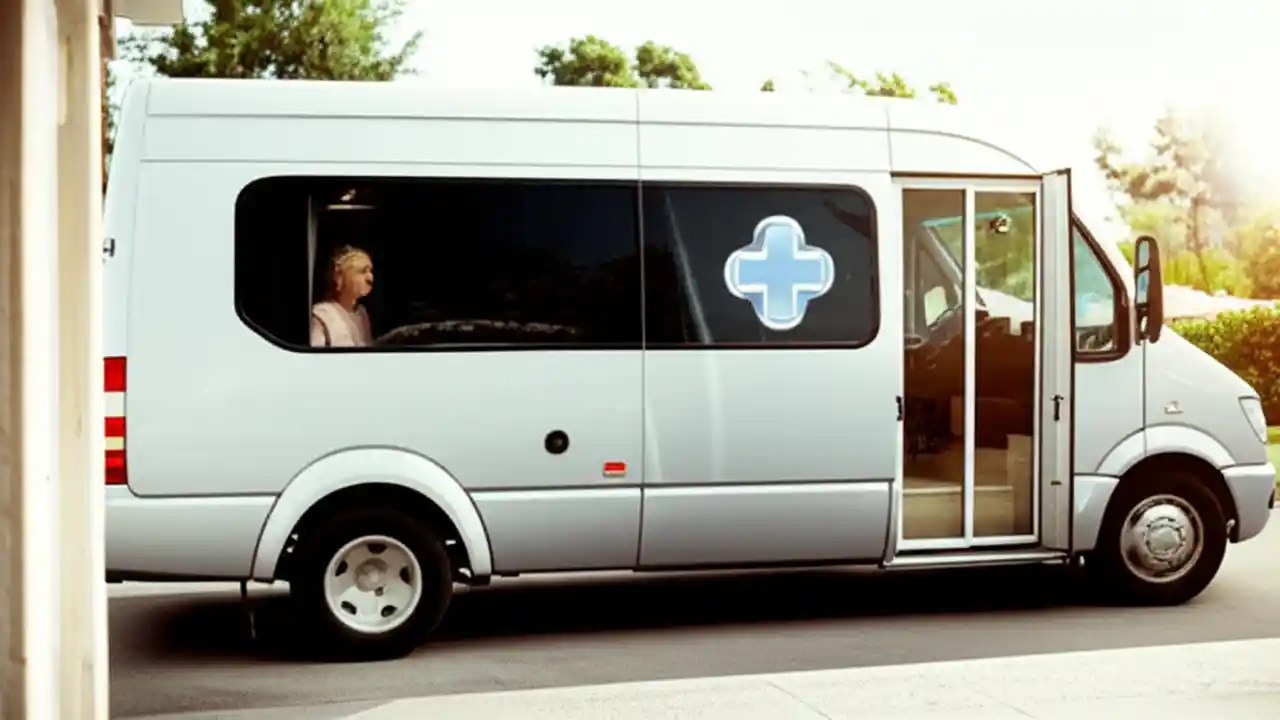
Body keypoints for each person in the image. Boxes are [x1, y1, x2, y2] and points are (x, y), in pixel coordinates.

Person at [311, 244, 375, 348]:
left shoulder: (362, 315)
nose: (370, 278)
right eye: (363, 271)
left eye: (370, 271)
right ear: (340, 277)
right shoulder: (322, 315)